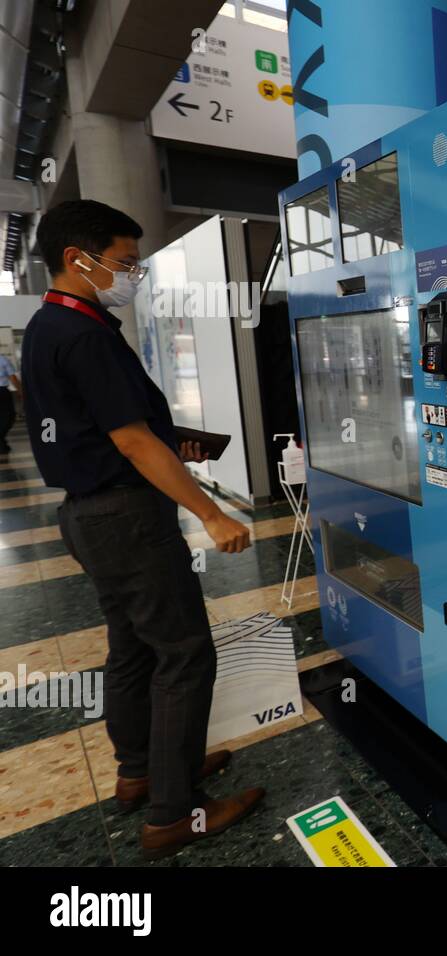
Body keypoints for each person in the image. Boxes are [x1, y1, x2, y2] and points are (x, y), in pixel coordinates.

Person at [23, 200, 264, 859]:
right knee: (185, 653)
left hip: (87, 515)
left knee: (132, 646)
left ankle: (140, 773)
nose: (133, 275)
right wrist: (212, 513)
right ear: (78, 260)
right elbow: (130, 441)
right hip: (124, 518)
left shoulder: (49, 327)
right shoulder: (84, 335)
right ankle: (174, 811)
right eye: (125, 263)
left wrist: (183, 444)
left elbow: (103, 431)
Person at [0, 349, 19, 453]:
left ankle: (2, 443)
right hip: (2, 392)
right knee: (9, 416)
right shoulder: (3, 360)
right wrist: (20, 391)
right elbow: (12, 377)